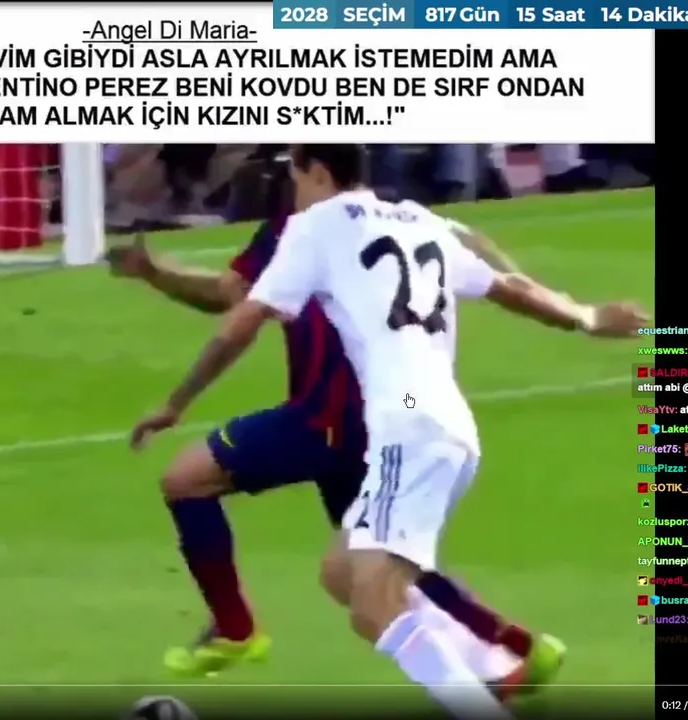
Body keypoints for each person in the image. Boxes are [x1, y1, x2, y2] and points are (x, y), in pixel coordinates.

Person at [129, 144, 647, 715]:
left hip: (409, 421)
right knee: (342, 573)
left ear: (317, 171)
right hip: (440, 418)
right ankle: (496, 662)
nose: (292, 188)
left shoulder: (314, 225)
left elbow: (240, 323)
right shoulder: (417, 220)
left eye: (294, 174)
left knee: (376, 605)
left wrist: (176, 402)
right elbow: (510, 287)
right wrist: (588, 316)